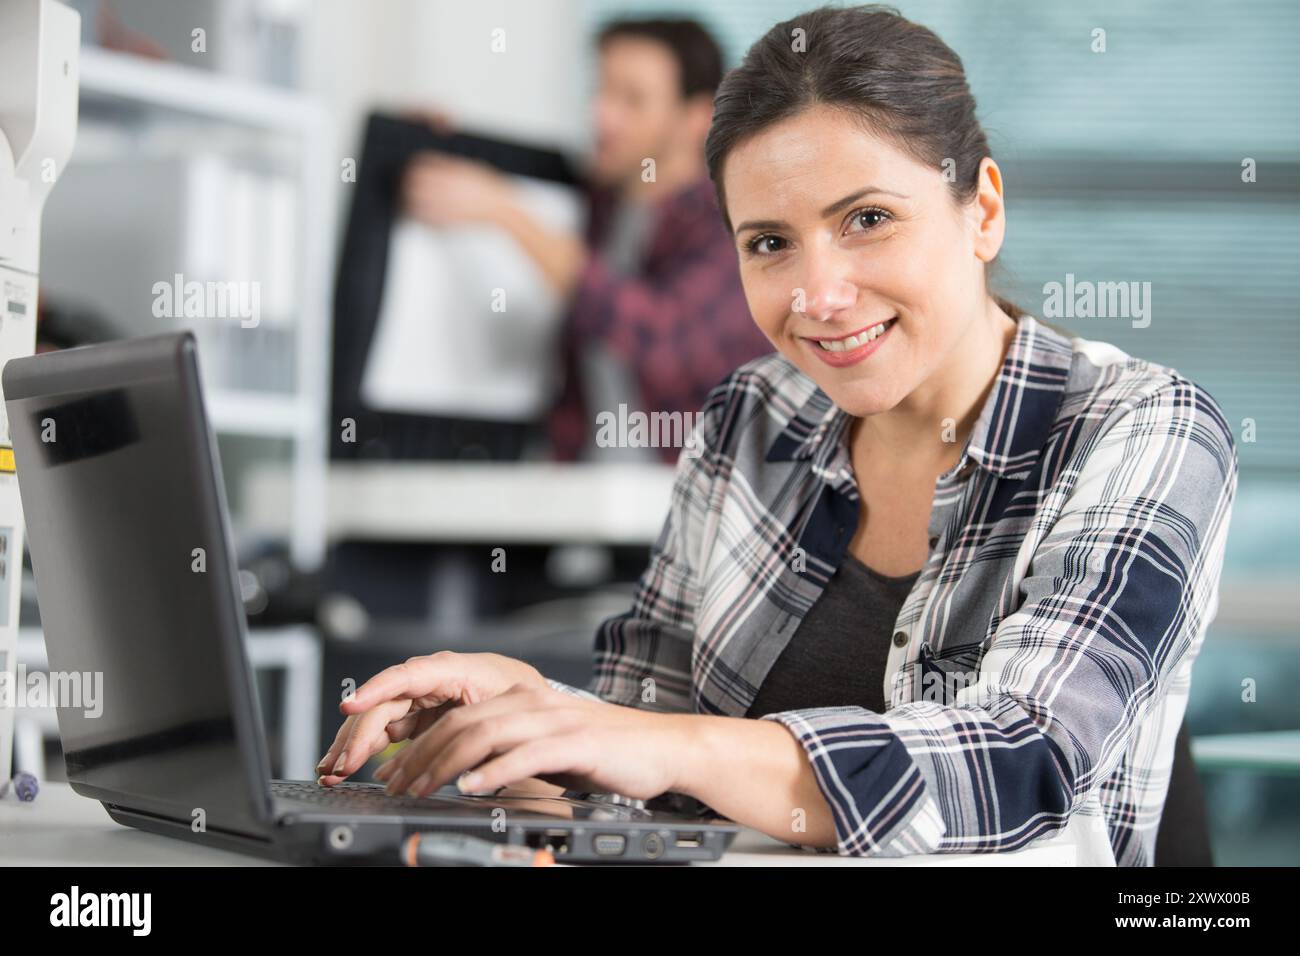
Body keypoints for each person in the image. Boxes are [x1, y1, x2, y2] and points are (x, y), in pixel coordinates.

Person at [318, 4, 1238, 865]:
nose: (818, 296)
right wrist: (524, 725)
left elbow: (1019, 761)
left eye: (868, 220)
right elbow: (656, 760)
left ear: (983, 210)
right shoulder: (748, 419)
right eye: (769, 243)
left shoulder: (1142, 428)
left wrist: (642, 742)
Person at [402, 18, 770, 463]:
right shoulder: (593, 205)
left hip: (698, 493)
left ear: (697, 118)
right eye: (600, 91)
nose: (602, 114)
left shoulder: (734, 223)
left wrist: (507, 214)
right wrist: (426, 141)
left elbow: (663, 342)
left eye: (631, 99)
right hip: (579, 494)